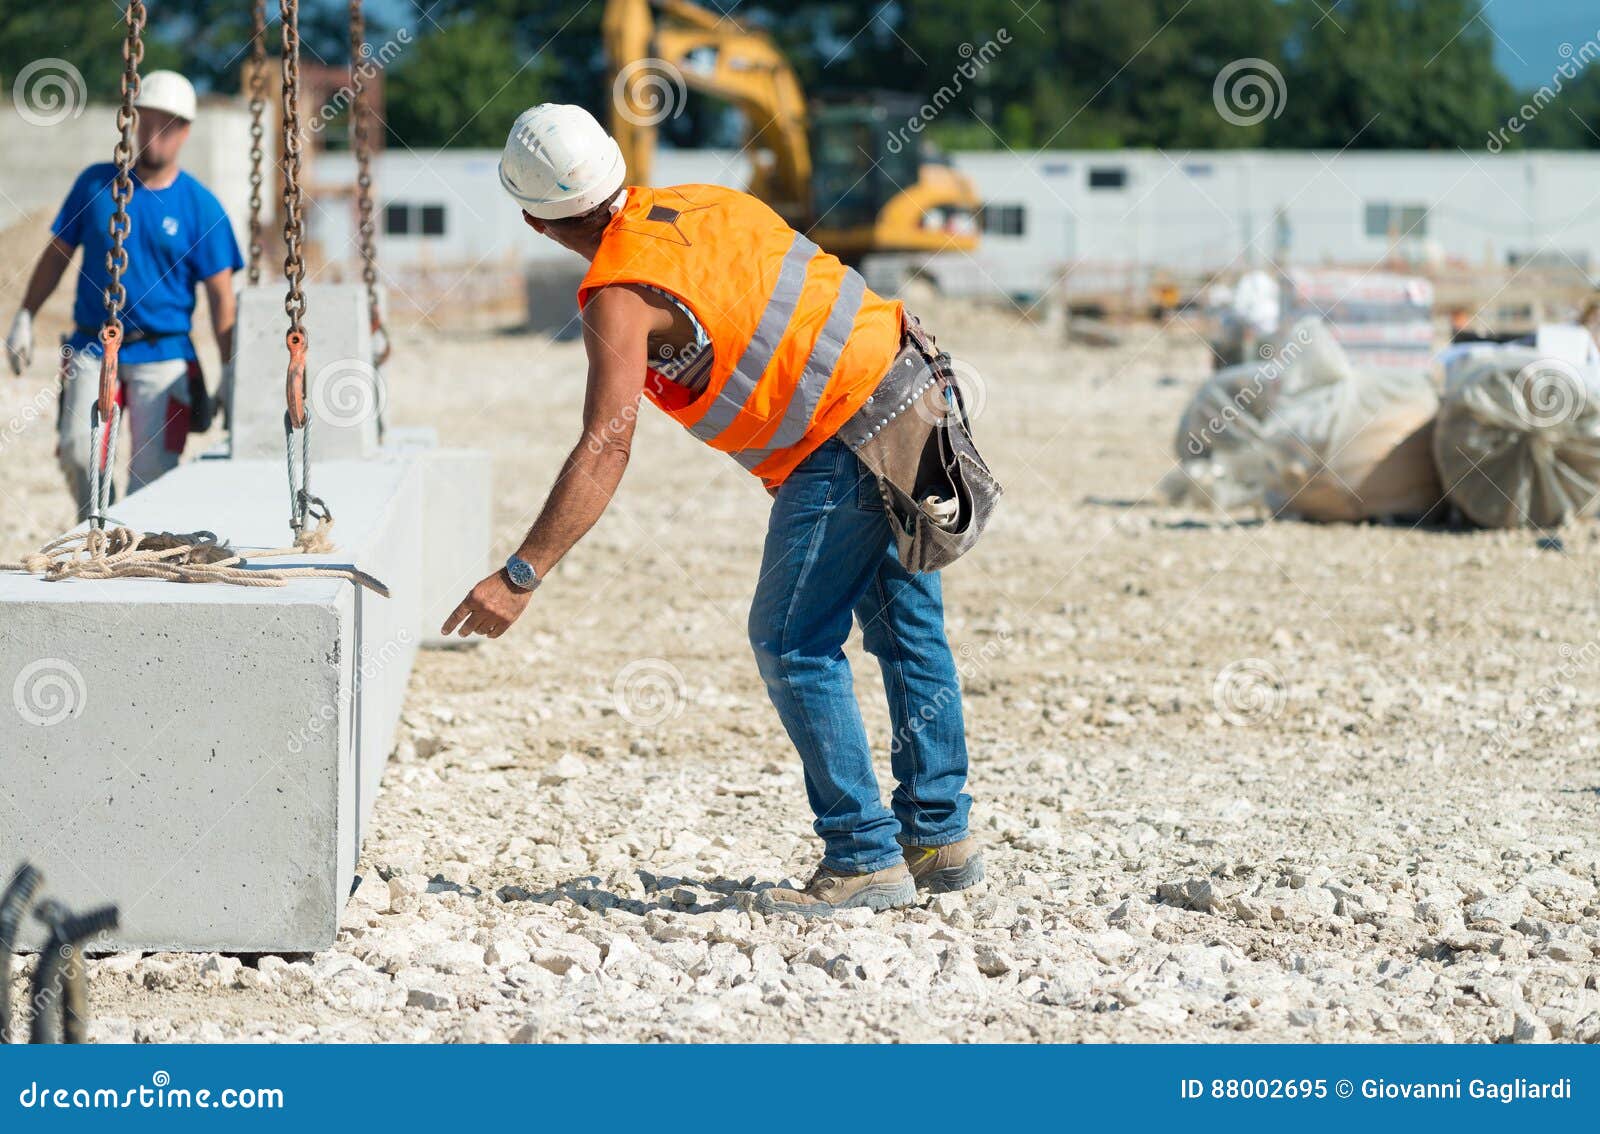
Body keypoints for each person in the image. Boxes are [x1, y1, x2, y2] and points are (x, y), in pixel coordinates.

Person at [441, 104, 983, 916]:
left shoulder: (619, 295)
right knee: (908, 632)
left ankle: (864, 855)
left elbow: (606, 447)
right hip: (916, 387)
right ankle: (940, 837)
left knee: (792, 641)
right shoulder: (707, 202)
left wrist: (522, 573)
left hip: (844, 438)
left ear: (536, 221)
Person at [4, 71, 243, 516]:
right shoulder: (96, 187)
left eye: (167, 126)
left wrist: (230, 370)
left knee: (152, 475)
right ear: (133, 121)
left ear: (185, 132)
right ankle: (96, 522)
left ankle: (134, 542)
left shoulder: (200, 206)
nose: (154, 135)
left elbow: (221, 298)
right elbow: (56, 255)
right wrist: (25, 315)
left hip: (164, 352)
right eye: (146, 121)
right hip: (93, 344)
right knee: (79, 451)